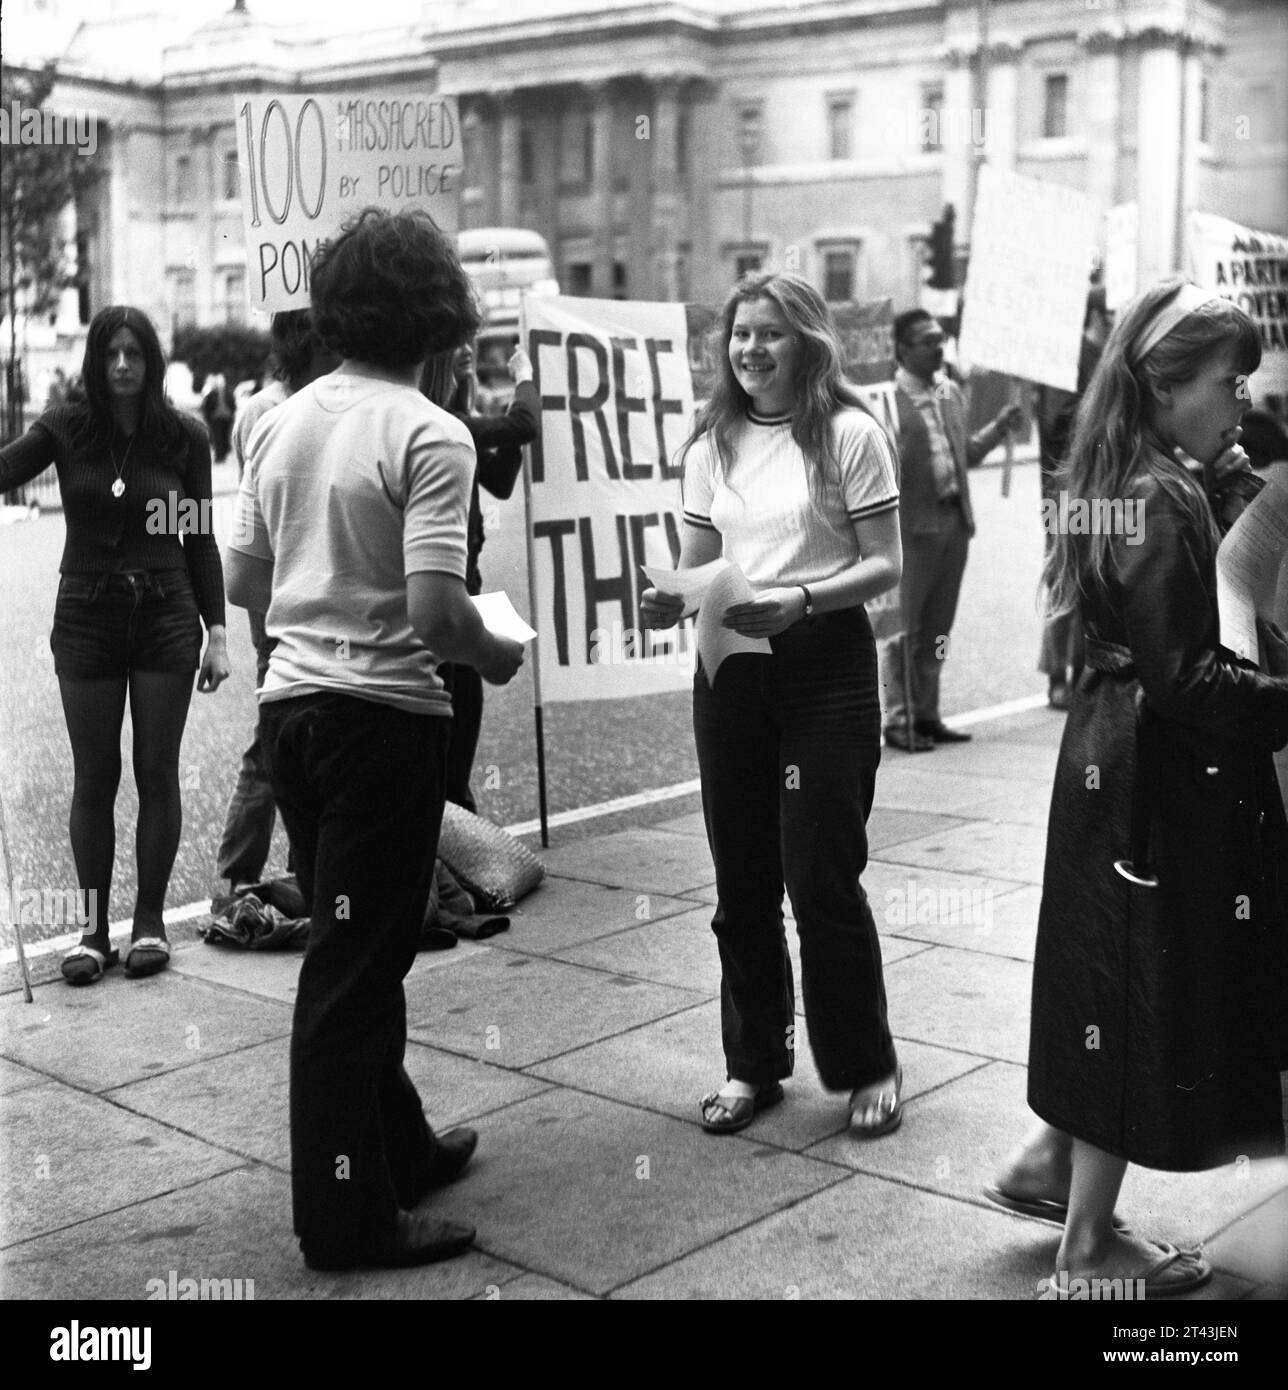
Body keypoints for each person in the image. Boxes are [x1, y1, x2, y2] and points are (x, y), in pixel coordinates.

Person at [224, 207, 524, 1271]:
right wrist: (495, 656)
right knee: (353, 969)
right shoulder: (430, 433)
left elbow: (246, 584)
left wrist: (321, 612)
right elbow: (440, 611)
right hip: (385, 721)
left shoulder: (282, 419)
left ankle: (400, 1143)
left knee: (364, 944)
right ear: (436, 312)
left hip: (292, 714)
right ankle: (347, 1216)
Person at [987, 279, 1288, 1297]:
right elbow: (1191, 678)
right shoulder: (1159, 496)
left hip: (1106, 754)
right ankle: (1087, 1249)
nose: (1241, 398)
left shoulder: (1126, 470)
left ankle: (1044, 1164)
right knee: (1129, 987)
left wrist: (1233, 483)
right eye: (1226, 381)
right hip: (1153, 773)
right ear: (1165, 386)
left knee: (1099, 971)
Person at [640, 270, 906, 1138]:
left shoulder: (849, 434)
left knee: (821, 875)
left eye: (771, 333)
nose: (750, 349)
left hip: (824, 662)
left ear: (808, 342)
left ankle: (867, 1065)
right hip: (733, 667)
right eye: (740, 334)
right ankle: (753, 1063)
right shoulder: (709, 443)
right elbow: (698, 562)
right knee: (742, 880)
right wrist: (669, 596)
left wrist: (804, 600)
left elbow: (885, 564)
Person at [0, 305, 230, 984]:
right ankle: (93, 930)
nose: (123, 365)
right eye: (111, 355)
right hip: (87, 616)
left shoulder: (183, 437)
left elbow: (201, 539)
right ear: (96, 363)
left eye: (134, 353)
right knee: (94, 777)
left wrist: (217, 632)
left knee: (157, 770)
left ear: (151, 361)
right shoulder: (66, 431)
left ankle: (150, 921)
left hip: (166, 615)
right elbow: (5, 471)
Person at [211, 311, 337, 911]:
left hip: (303, 600)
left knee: (292, 749)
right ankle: (235, 878)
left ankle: (297, 872)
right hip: (280, 608)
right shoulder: (267, 410)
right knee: (270, 750)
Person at [879, 309, 1023, 751]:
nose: (939, 347)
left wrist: (999, 428)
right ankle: (899, 719)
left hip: (953, 526)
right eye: (927, 340)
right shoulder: (886, 402)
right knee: (905, 630)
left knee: (939, 631)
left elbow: (966, 456)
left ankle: (928, 713)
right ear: (903, 349)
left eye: (941, 338)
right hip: (910, 531)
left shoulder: (951, 394)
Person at [427, 339, 539, 813]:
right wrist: (527, 379)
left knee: (461, 727)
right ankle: (454, 839)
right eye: (453, 342)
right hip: (449, 596)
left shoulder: (459, 418)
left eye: (470, 339)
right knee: (451, 731)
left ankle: (457, 833)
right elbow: (524, 425)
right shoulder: (444, 423)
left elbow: (498, 479)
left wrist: (511, 435)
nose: (466, 349)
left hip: (466, 590)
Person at [1035, 285, 1113, 710]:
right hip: (1068, 485)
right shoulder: (1071, 354)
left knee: (1091, 579)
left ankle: (1081, 671)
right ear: (1098, 315)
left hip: (1096, 483)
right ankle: (1058, 676)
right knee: (1066, 580)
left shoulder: (1100, 353)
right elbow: (1058, 423)